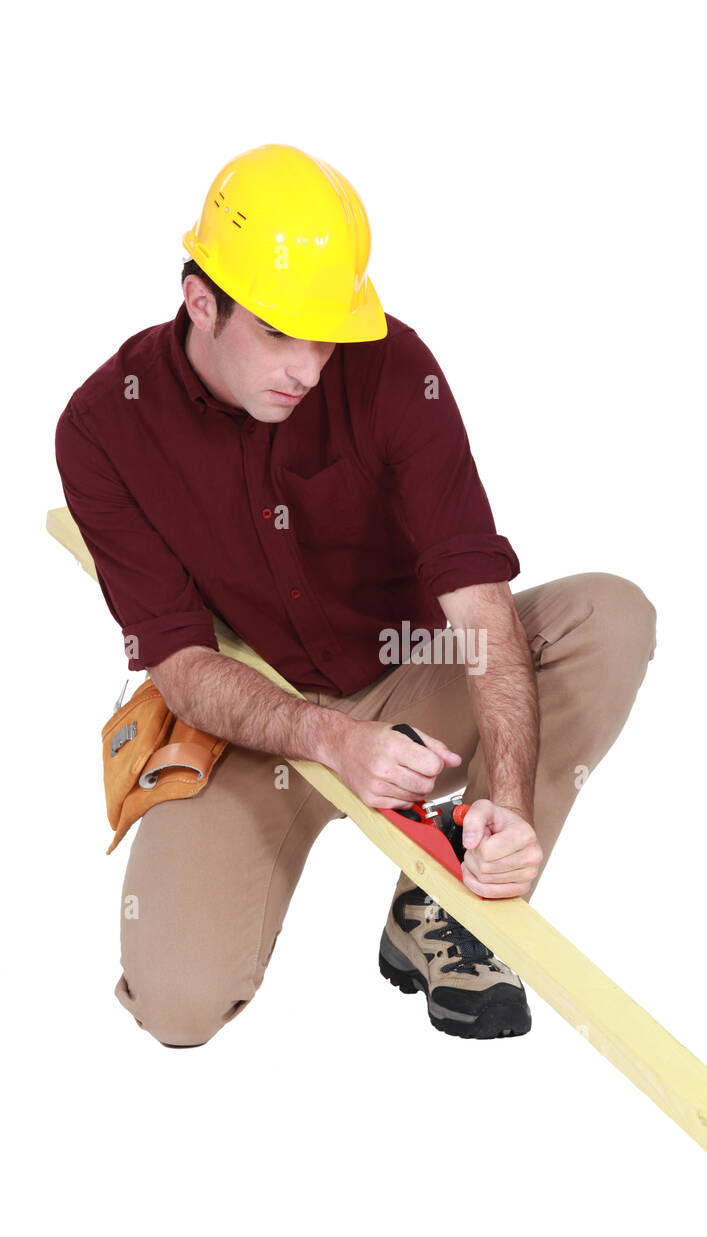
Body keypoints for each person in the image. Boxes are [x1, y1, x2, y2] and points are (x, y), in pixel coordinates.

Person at [54, 143, 657, 1048]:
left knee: (611, 617)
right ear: (201, 301)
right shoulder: (103, 429)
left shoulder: (391, 367)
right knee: (178, 1004)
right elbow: (180, 664)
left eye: (326, 334)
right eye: (279, 334)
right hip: (250, 716)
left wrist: (515, 803)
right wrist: (329, 738)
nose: (309, 365)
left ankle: (442, 905)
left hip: (416, 681)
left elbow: (478, 602)